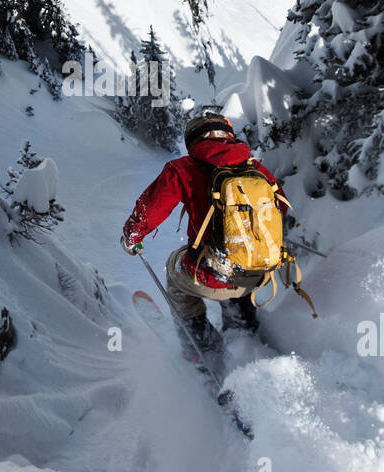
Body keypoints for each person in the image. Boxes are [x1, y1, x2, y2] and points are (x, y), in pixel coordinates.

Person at [121, 112, 288, 361]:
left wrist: (132, 236)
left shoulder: (182, 168)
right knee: (235, 268)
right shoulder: (255, 167)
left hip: (211, 276)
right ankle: (243, 328)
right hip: (258, 273)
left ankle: (201, 350)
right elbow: (280, 208)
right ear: (229, 136)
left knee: (175, 270)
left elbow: (151, 209)